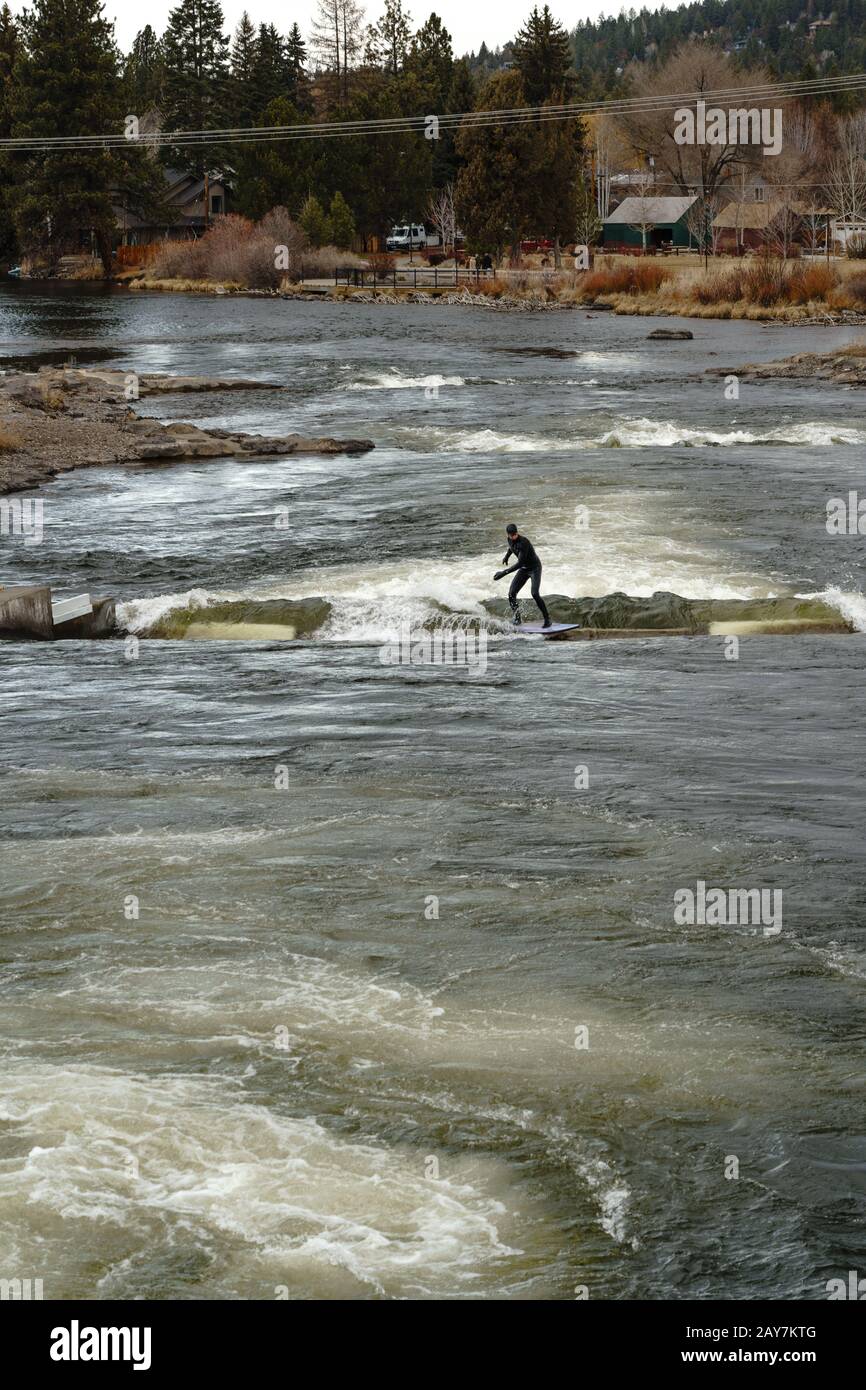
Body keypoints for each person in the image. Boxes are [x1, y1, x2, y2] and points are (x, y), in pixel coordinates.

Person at [494, 523, 551, 626]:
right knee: (511, 594)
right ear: (508, 535)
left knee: (534, 593)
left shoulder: (524, 542)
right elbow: (511, 547)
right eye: (512, 535)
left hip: (534, 568)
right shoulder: (509, 539)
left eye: (516, 534)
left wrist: (503, 573)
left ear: (517, 532)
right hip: (524, 569)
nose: (514, 536)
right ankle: (517, 618)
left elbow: (520, 563)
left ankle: (547, 619)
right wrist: (506, 557)